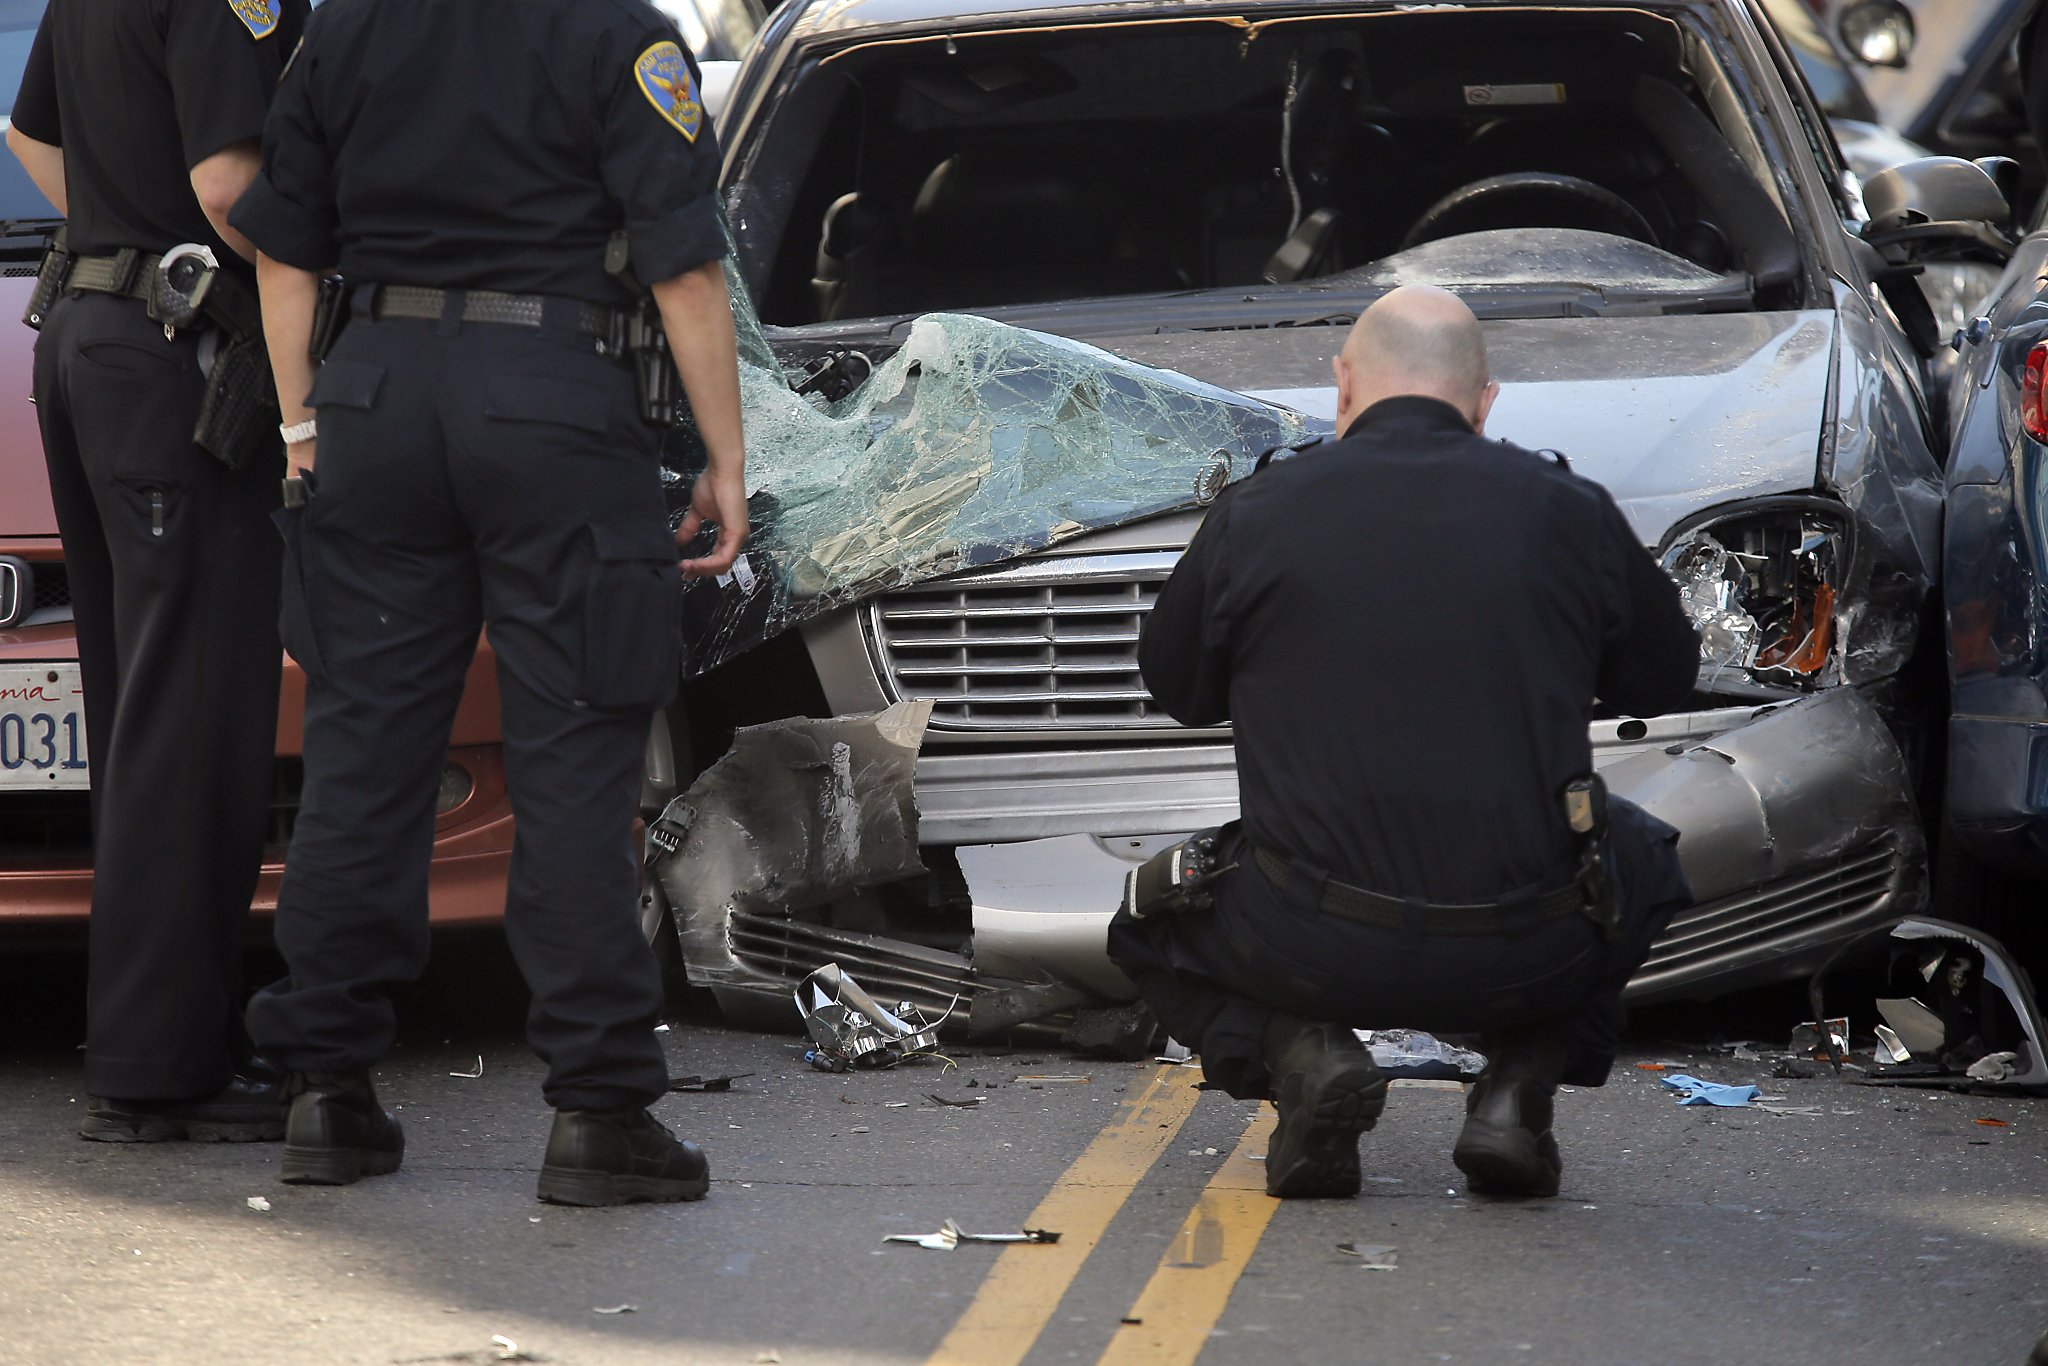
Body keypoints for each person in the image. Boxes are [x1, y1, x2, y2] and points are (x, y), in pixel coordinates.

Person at [228, 0, 749, 1205]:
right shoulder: (616, 35)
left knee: (360, 753)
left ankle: (328, 1094)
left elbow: (283, 247)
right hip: (554, 403)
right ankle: (599, 1112)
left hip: (376, 404)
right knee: (571, 757)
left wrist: (306, 428)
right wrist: (726, 461)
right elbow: (681, 268)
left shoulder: (347, 31)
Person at [1109, 284, 1700, 1200]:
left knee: (1146, 922)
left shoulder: (1258, 513)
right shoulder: (1568, 509)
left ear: (1343, 386)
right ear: (1484, 400)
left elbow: (1178, 690)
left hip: (1305, 934)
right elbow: (1660, 681)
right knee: (1650, 862)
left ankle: (1301, 1057)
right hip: (1531, 939)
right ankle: (1518, 1086)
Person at [8, 0, 309, 1143]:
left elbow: (30, 137)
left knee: (144, 708)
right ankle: (160, 1065)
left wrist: (122, 223)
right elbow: (234, 188)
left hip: (90, 333)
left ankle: (157, 1036)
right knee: (190, 719)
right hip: (177, 359)